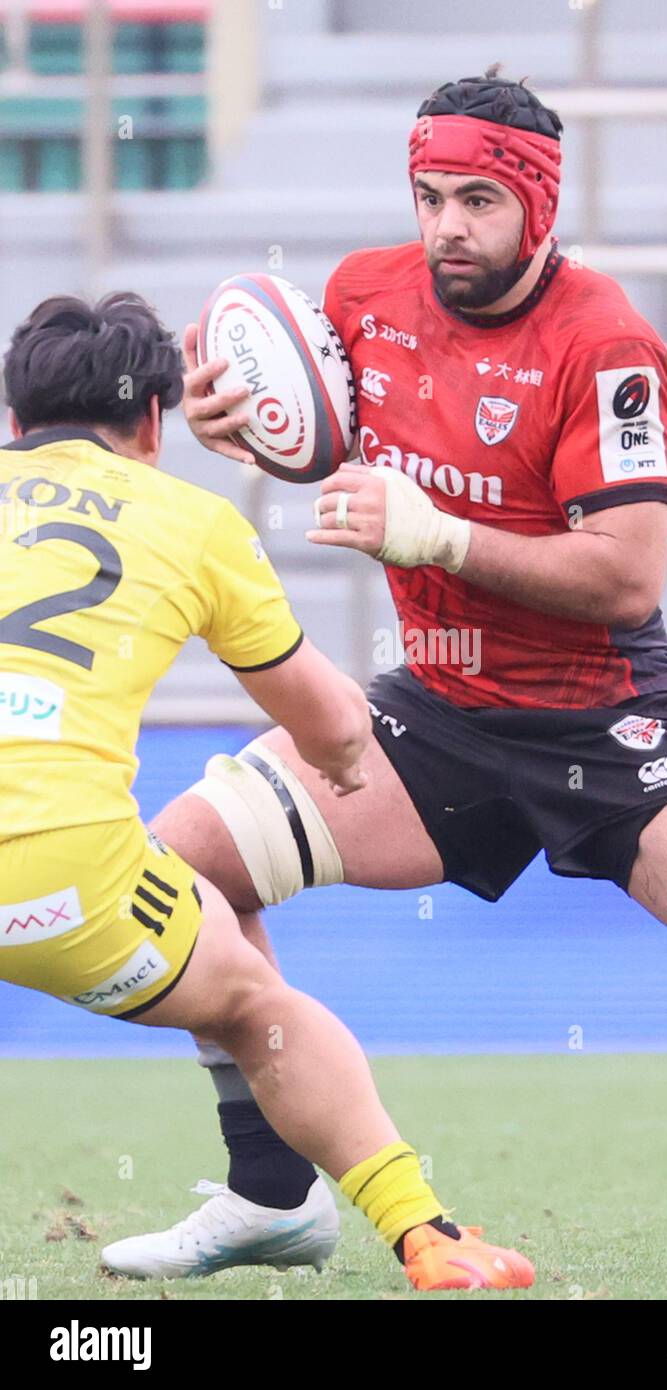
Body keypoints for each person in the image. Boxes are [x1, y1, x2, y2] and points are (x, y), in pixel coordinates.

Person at [108, 69, 667, 1278]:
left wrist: (437, 536)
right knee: (182, 869)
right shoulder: (363, 295)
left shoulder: (607, 344)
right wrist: (243, 429)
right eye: (428, 195)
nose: (447, 225)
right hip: (437, 715)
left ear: (537, 208)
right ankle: (273, 1194)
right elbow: (350, 469)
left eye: (476, 200)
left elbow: (625, 576)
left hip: (609, 722)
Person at [0, 291, 535, 1293]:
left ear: (14, 422)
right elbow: (331, 724)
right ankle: (428, 1236)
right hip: (61, 883)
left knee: (200, 876)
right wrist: (339, 758)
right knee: (253, 1003)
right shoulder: (191, 520)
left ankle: (270, 1197)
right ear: (154, 423)